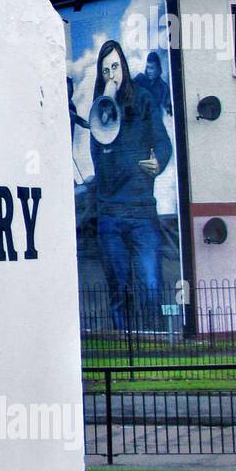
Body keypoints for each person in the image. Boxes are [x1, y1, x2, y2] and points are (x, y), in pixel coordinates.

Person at [89, 40, 173, 330]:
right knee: (119, 287)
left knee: (150, 283)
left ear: (123, 66)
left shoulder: (144, 99)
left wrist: (159, 162)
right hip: (110, 213)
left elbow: (163, 142)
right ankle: (125, 347)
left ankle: (156, 346)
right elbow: (99, 162)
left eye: (115, 67)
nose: (111, 75)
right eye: (105, 70)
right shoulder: (99, 109)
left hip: (141, 211)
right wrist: (107, 111)